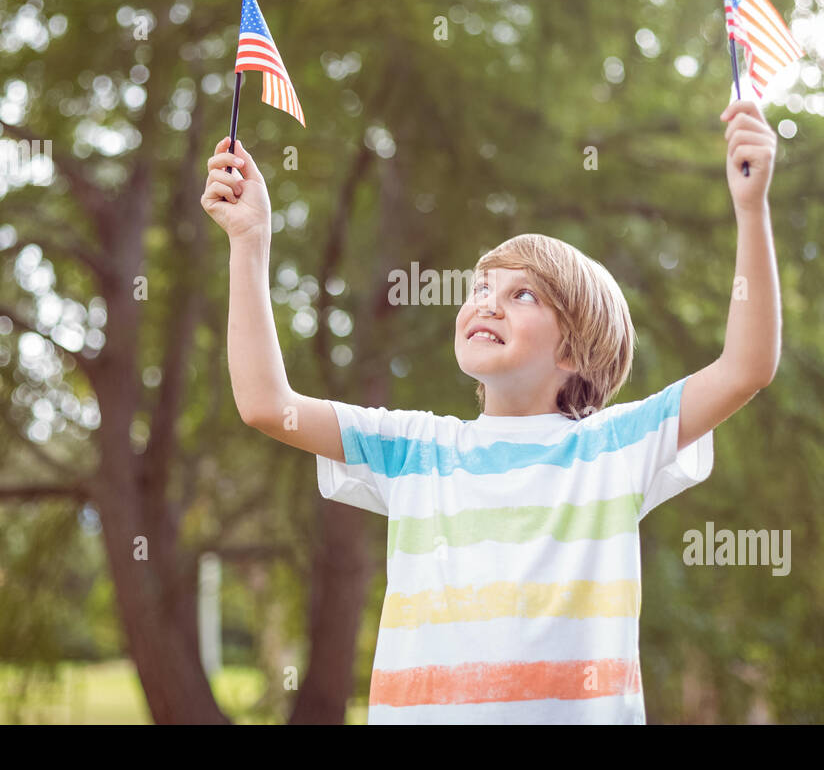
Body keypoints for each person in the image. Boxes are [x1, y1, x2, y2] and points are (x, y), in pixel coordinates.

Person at [201, 98, 781, 723]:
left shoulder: (615, 449)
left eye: (522, 294)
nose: (487, 303)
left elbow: (746, 367)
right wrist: (250, 242)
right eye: (480, 289)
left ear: (577, 346)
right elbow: (267, 404)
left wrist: (750, 210)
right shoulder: (415, 450)